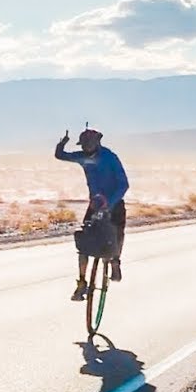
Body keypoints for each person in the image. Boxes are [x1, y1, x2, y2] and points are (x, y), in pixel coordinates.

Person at [55, 127, 130, 301]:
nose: (87, 147)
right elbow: (61, 156)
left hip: (114, 203)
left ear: (97, 142)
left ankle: (115, 261)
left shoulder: (110, 157)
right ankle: (82, 283)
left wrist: (109, 204)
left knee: (118, 231)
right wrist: (62, 143)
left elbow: (123, 184)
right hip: (95, 205)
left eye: (90, 143)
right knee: (85, 241)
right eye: (84, 145)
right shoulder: (82, 157)